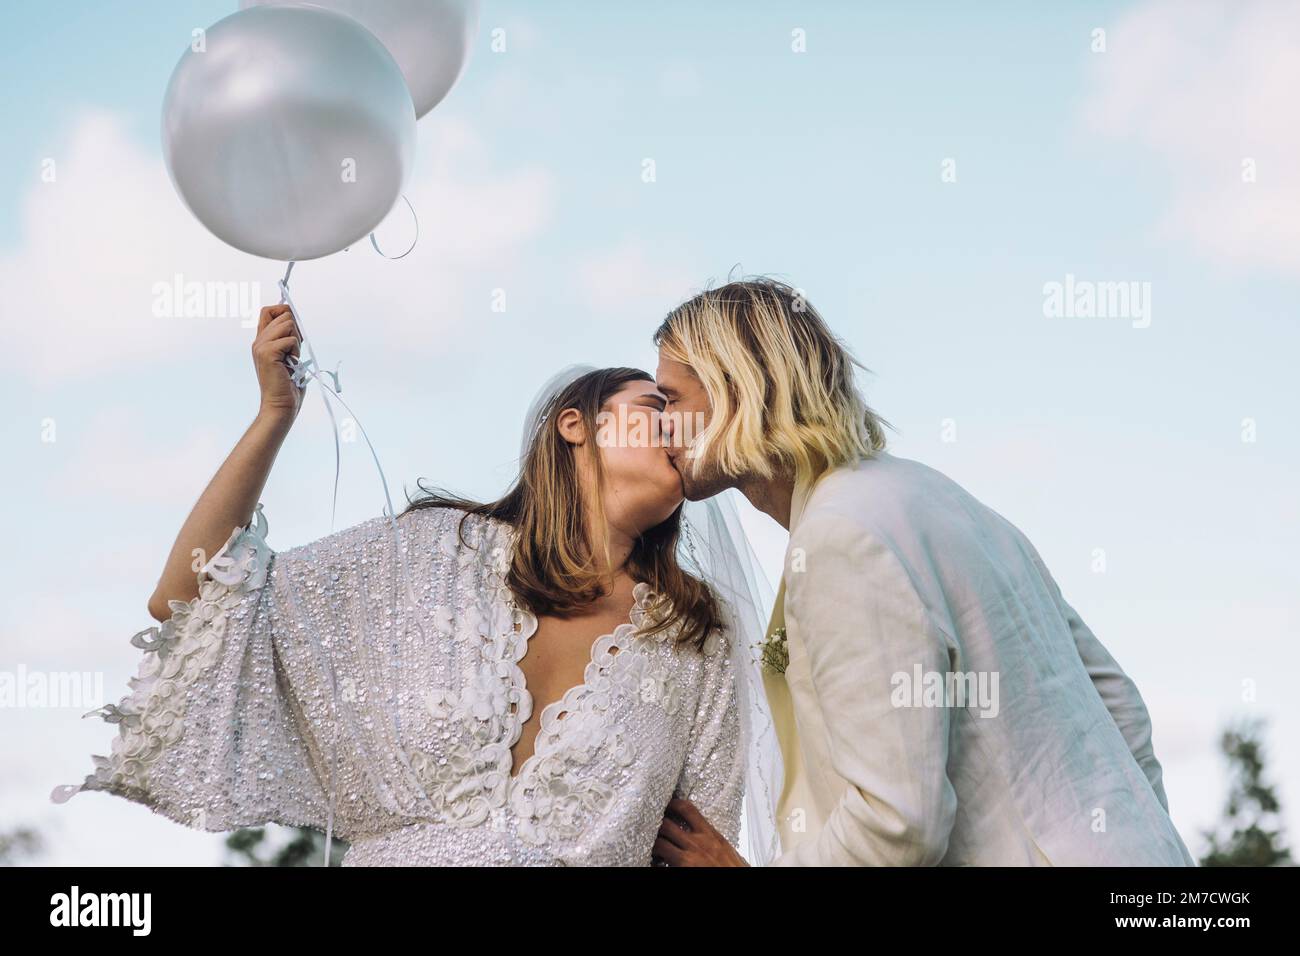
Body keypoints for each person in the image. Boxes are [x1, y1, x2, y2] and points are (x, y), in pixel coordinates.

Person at [51, 303, 766, 867]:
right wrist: (275, 414)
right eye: (655, 408)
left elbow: (701, 844)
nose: (682, 430)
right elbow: (191, 594)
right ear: (574, 426)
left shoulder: (695, 636)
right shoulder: (430, 554)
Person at [648, 276, 1196, 866]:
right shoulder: (942, 498)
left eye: (671, 399)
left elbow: (899, 822)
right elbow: (1120, 707)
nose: (657, 425)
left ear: (739, 389)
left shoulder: (842, 537)